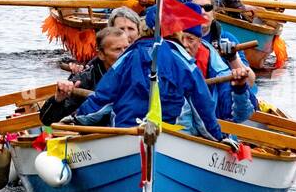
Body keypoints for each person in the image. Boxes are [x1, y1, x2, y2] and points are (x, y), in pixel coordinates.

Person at [74, 21, 231, 140]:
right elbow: (202, 106)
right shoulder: (184, 61)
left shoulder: (127, 57)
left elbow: (102, 99)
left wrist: (78, 120)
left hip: (126, 133)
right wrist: (218, 137)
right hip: (172, 136)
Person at [40, 24, 130, 126]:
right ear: (101, 54)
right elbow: (47, 121)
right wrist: (58, 100)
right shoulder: (85, 79)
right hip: (97, 136)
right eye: (117, 49)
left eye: (127, 48)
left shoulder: (139, 69)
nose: (125, 54)